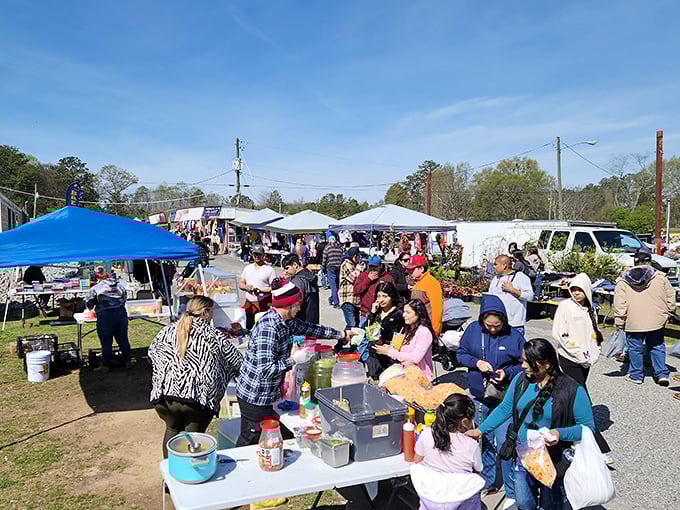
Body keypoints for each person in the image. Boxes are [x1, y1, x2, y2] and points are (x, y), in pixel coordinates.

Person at [467, 338, 596, 510]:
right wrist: (480, 431)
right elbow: (505, 408)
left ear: (547, 364)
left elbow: (588, 428)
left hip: (554, 460)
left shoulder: (572, 390)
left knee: (550, 505)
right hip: (523, 454)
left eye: (529, 362)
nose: (523, 365)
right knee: (524, 502)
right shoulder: (521, 380)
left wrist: (559, 433)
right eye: (523, 360)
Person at [235, 282, 361, 446]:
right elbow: (265, 370)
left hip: (266, 394)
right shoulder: (269, 328)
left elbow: (310, 329)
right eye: (297, 305)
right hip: (255, 396)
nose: (300, 309)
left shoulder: (286, 321)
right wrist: (294, 360)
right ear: (288, 306)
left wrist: (342, 334)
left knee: (277, 435)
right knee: (250, 439)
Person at [148, 296, 243, 458]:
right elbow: (239, 363)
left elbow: (151, 354)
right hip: (197, 399)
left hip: (164, 398)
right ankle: (189, 477)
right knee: (191, 439)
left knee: (172, 430)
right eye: (212, 311)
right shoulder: (215, 336)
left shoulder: (167, 330)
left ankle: (169, 477)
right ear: (205, 313)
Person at [457, 295, 525, 506]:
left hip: (505, 397)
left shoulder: (515, 336)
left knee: (505, 440)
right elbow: (460, 354)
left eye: (498, 325)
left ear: (504, 320)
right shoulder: (472, 331)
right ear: (482, 320)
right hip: (480, 394)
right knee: (483, 438)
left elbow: (524, 364)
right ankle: (488, 481)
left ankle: (512, 490)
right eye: (489, 325)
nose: (493, 329)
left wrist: (508, 372)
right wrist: (476, 362)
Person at [552, 272, 612, 459]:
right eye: (573, 289)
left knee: (571, 399)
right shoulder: (565, 307)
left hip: (586, 361)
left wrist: (594, 353)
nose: (576, 293)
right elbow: (560, 334)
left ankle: (569, 434)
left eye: (580, 290)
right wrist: (577, 352)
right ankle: (596, 446)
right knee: (582, 398)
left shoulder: (590, 309)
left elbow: (593, 334)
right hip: (569, 358)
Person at [614, 247, 675, 386]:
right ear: (650, 260)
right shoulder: (660, 277)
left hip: (633, 320)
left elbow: (620, 304)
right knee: (657, 345)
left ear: (635, 261)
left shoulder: (623, 280)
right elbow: (670, 297)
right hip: (656, 319)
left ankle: (636, 374)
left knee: (635, 347)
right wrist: (669, 312)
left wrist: (620, 320)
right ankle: (661, 374)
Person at [412, 394, 484, 510]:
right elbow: (477, 472)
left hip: (431, 500)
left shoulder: (426, 434)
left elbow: (417, 461)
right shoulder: (471, 446)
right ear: (465, 422)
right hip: (461, 502)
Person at [374, 299, 434, 381]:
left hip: (420, 378)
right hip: (406, 373)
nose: (404, 315)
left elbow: (415, 358)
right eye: (404, 312)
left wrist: (389, 352)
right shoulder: (408, 329)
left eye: (408, 312)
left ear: (418, 313)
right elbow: (402, 350)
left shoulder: (424, 332)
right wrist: (389, 348)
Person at [86, 271, 132, 372]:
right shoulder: (121, 286)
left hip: (105, 315)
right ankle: (128, 362)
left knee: (106, 342)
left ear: (100, 277)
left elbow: (89, 304)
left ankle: (105, 365)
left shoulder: (96, 288)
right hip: (120, 314)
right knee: (123, 339)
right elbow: (124, 299)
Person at [364, 281, 404, 378]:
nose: (381, 300)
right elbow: (367, 329)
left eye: (385, 296)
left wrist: (388, 347)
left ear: (392, 296)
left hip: (389, 355)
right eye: (379, 296)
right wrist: (372, 313)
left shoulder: (398, 314)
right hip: (374, 355)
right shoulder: (377, 312)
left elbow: (400, 335)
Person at [488, 255, 534, 336]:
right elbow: (490, 297)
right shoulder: (495, 279)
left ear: (504, 266)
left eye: (496, 264)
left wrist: (512, 290)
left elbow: (530, 296)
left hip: (514, 324)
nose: (494, 267)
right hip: (497, 324)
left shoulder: (520, 277)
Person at [239, 245, 277, 329]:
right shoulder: (247, 268)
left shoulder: (269, 269)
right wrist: (246, 287)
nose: (257, 256)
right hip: (249, 303)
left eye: (259, 254)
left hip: (264, 303)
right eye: (255, 254)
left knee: (263, 327)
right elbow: (241, 283)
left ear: (264, 255)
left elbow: (274, 287)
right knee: (248, 327)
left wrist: (262, 291)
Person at [408, 255, 444, 336]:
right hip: (417, 328)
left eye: (412, 269)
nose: (409, 272)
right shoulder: (417, 282)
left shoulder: (432, 283)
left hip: (428, 330)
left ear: (421, 269)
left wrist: (435, 331)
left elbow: (437, 310)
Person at [353, 255, 393, 326]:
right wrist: (368, 280)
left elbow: (393, 294)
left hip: (382, 314)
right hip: (365, 313)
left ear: (380, 266)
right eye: (371, 267)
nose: (372, 269)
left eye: (375, 267)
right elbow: (356, 291)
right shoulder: (363, 276)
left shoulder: (387, 277)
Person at [282, 253, 319, 324]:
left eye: (287, 268)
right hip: (313, 323)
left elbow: (292, 305)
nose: (285, 271)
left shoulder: (297, 281)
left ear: (295, 265)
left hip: (301, 324)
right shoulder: (310, 276)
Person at [339, 247, 362, 327]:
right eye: (359, 256)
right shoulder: (346, 264)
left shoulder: (353, 265)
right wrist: (359, 268)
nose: (360, 258)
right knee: (352, 324)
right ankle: (344, 338)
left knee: (356, 324)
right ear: (355, 256)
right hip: (347, 299)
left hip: (355, 300)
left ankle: (346, 338)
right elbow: (354, 279)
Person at [322, 235, 344, 307]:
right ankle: (332, 298)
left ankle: (336, 302)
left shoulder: (327, 247)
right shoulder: (340, 248)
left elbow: (324, 259)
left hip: (330, 267)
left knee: (333, 286)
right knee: (337, 285)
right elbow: (343, 257)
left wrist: (323, 268)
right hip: (338, 267)